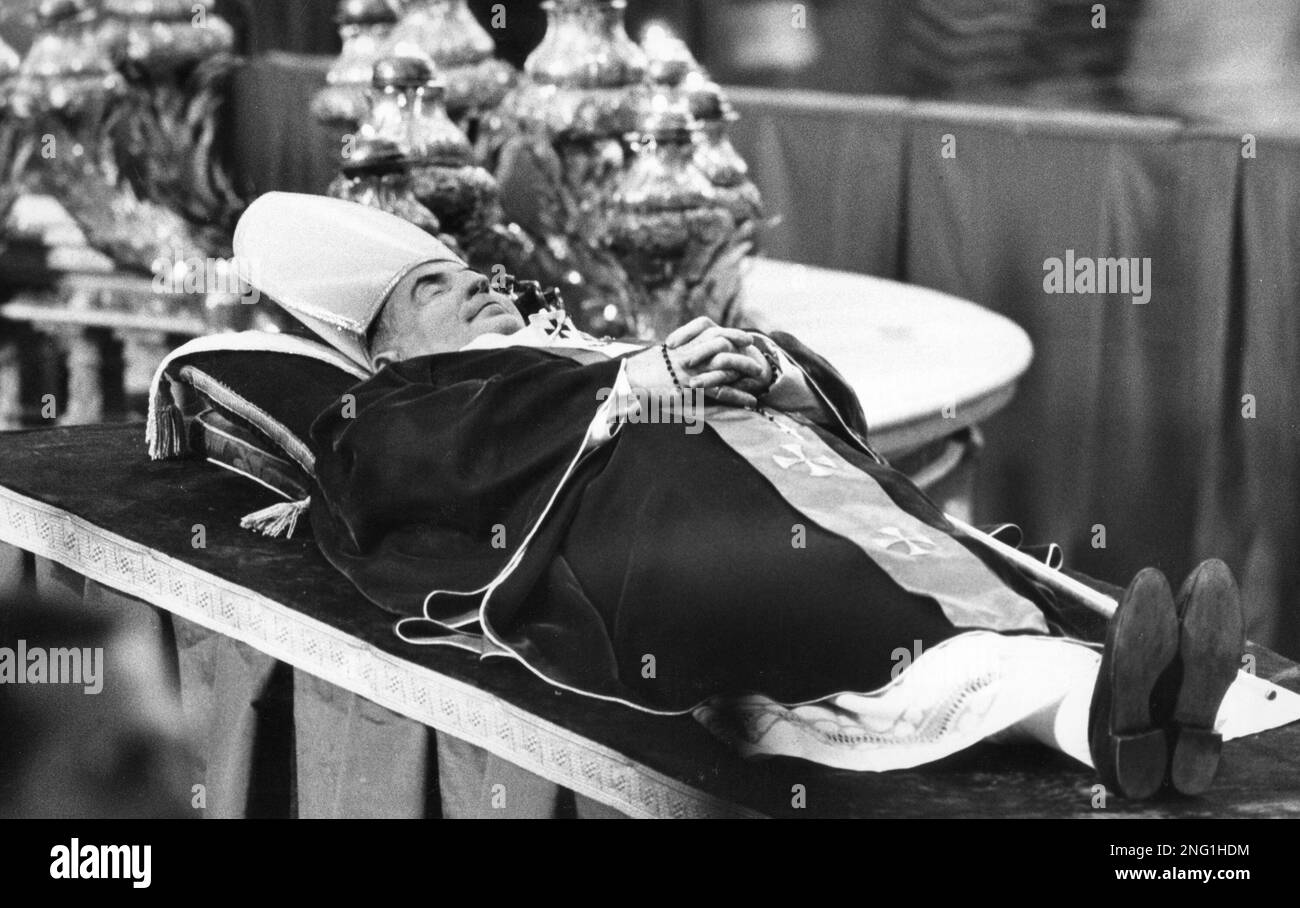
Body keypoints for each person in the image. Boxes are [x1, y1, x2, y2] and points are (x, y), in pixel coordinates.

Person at [231, 193, 1288, 800]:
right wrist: (629, 391)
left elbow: (787, 395)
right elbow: (403, 472)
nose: (475, 281)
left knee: (956, 605)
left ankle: (1139, 711)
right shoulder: (396, 403)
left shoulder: (576, 343)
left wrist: (761, 367)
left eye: (466, 268)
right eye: (433, 285)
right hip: (662, 534)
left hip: (813, 496)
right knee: (897, 637)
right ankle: (1122, 712)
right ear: (383, 345)